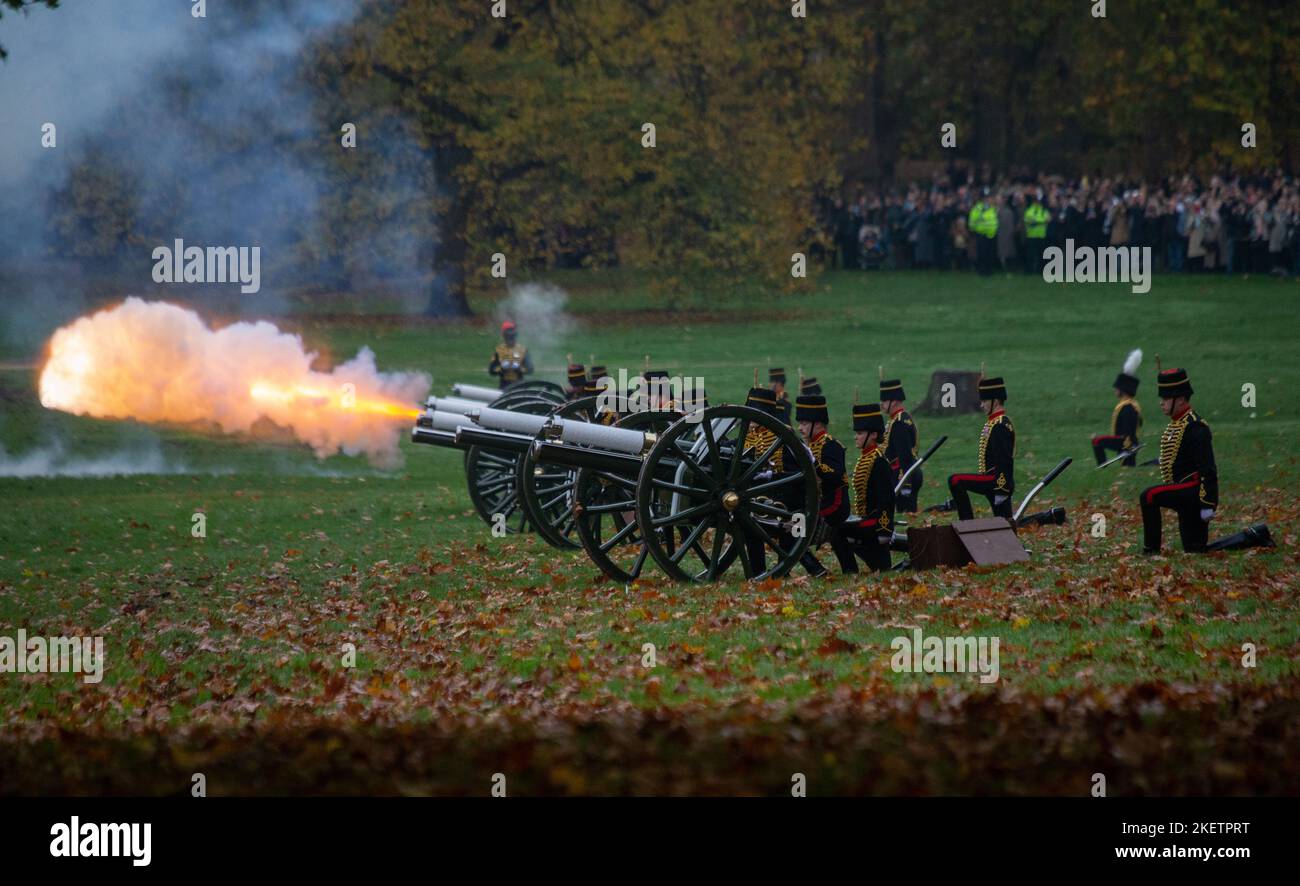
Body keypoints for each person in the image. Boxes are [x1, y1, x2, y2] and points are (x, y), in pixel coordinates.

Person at [1140, 367, 1217, 554]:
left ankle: (1151, 551)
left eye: (1166, 399)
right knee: (1195, 549)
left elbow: (1208, 468)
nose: (1161, 403)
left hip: (1193, 491)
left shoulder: (1195, 426)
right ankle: (1252, 537)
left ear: (1181, 399)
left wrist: (1208, 503)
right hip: (1182, 489)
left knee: (1148, 496)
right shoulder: (1177, 424)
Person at [831, 403, 895, 572]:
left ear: (873, 434)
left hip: (876, 523)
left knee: (837, 531)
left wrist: (884, 531)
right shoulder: (867, 457)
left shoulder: (878, 460)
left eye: (860, 433)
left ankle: (850, 571)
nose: (855, 437)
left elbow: (886, 498)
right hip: (866, 518)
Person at [793, 394, 848, 578]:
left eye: (804, 423)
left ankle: (816, 570)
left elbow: (835, 476)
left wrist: (814, 463)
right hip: (816, 504)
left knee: (793, 530)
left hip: (833, 505)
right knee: (788, 525)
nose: (800, 428)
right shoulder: (810, 445)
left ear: (818, 423)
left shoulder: (831, 445)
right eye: (799, 423)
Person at [947, 376, 1015, 520]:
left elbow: (1004, 459)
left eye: (984, 401)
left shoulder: (1000, 425)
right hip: (994, 480)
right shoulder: (995, 422)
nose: (981, 405)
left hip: (995, 481)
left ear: (995, 401)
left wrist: (1001, 489)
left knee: (955, 480)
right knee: (1005, 524)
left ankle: (968, 524)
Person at [1091, 350, 1143, 467]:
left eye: (1117, 388)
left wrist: (1128, 446)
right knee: (1127, 466)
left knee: (1097, 441)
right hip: (1125, 441)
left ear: (1122, 390)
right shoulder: (1130, 405)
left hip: (1125, 442)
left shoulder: (1128, 408)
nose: (1115, 390)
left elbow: (1129, 431)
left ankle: (1102, 466)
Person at [879, 376, 921, 512]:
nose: (882, 404)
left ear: (895, 401)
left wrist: (905, 483)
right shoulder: (898, 419)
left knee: (905, 516)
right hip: (899, 473)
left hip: (902, 475)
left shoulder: (899, 424)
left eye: (885, 400)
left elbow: (905, 456)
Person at [488, 321, 533, 388]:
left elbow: (530, 369)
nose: (510, 339)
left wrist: (519, 369)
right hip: (504, 384)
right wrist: (502, 369)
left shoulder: (523, 350)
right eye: (508, 336)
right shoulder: (499, 350)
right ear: (504, 336)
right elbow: (491, 370)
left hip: (519, 385)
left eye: (511, 336)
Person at [1023, 190, 1049, 274]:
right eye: (1036, 200)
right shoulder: (1029, 210)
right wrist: (1040, 221)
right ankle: (1029, 270)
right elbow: (1028, 220)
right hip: (1031, 235)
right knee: (1030, 255)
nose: (1037, 202)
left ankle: (1041, 270)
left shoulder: (1044, 210)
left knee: (1041, 255)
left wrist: (1036, 221)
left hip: (1041, 235)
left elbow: (1047, 220)